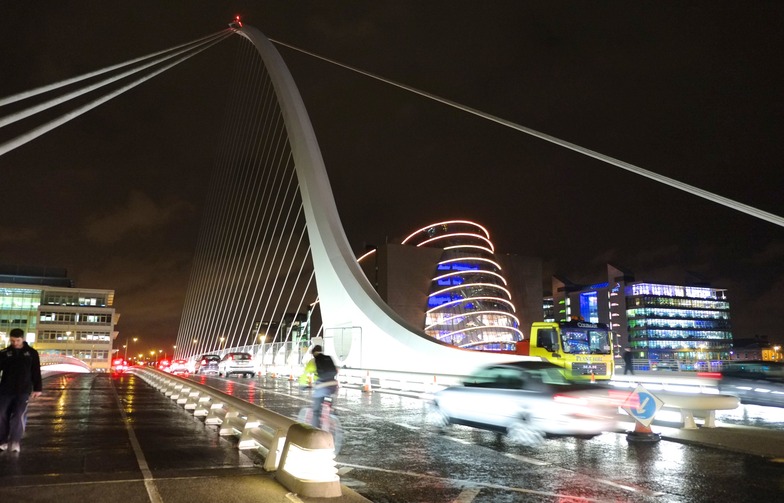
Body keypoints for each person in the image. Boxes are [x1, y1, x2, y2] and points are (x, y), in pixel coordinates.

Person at [0, 328, 43, 453]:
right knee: (2, 414)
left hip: (23, 390)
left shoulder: (31, 353)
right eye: (12, 340)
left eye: (17, 340)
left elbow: (36, 371)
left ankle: (15, 441)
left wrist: (37, 388)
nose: (15, 343)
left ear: (23, 339)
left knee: (19, 414)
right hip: (5, 389)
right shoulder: (4, 353)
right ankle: (2, 441)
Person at [309, 345, 338, 429]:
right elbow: (335, 370)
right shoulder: (329, 358)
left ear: (314, 353)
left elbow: (307, 372)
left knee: (316, 411)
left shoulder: (314, 360)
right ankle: (330, 413)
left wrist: (303, 385)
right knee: (328, 403)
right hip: (333, 385)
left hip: (322, 386)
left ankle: (315, 431)